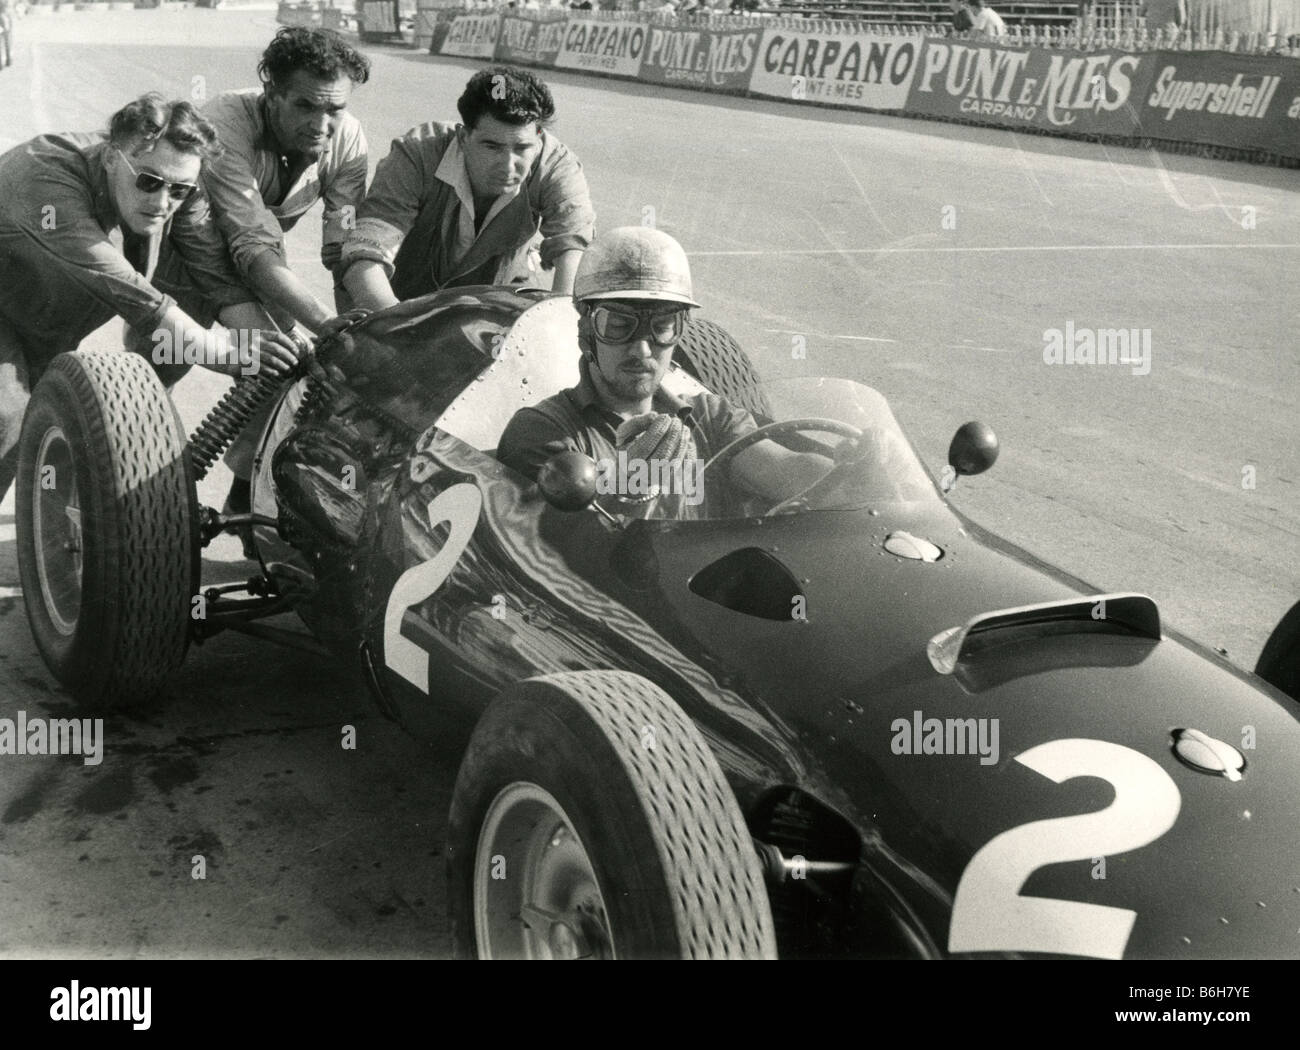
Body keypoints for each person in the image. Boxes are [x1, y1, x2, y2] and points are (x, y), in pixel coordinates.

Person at [0, 94, 300, 500]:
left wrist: (281, 352)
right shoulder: (45, 178)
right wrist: (226, 352)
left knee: (46, 437)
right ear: (110, 156)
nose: (162, 203)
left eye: (178, 190)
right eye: (148, 181)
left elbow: (215, 276)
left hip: (40, 322)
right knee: (5, 416)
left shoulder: (177, 185)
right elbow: (124, 288)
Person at [166, 27, 371, 525]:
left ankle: (244, 494)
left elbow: (342, 246)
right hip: (189, 254)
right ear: (271, 92)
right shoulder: (221, 123)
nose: (323, 124)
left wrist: (357, 334)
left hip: (264, 260)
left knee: (283, 364)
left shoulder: (347, 139)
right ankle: (130, 484)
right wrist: (325, 322)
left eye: (335, 109)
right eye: (306, 106)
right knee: (157, 370)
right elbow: (248, 243)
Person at [497, 227, 836, 519]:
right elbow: (557, 557)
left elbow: (784, 470)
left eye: (662, 327)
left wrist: (856, 472)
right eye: (617, 326)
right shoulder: (540, 433)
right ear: (586, 329)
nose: (643, 350)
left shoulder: (710, 417)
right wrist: (630, 488)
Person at [340, 65, 594, 309]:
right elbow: (364, 257)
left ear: (538, 140)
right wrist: (399, 329)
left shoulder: (557, 164)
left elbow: (574, 257)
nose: (507, 166)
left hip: (493, 312)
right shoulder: (418, 153)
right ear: (463, 137)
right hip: (399, 304)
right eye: (492, 147)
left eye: (521, 148)